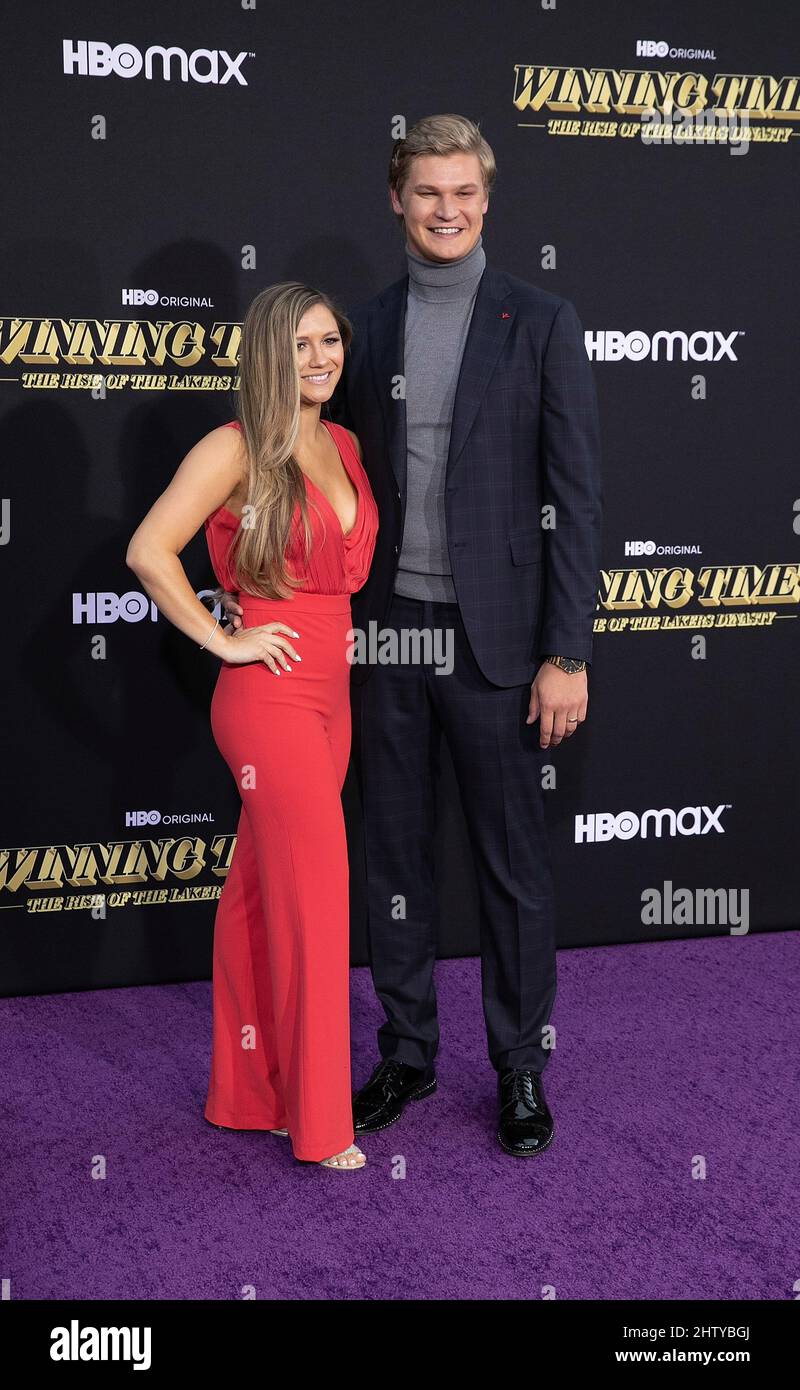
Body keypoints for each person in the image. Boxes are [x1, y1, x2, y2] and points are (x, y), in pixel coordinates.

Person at [223, 113, 603, 1157]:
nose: (446, 210)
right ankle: (404, 1050)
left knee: (510, 865)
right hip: (380, 639)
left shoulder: (542, 319)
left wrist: (564, 652)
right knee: (390, 855)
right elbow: (311, 462)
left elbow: (575, 503)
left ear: (487, 200)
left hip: (499, 643)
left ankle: (519, 1068)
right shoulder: (366, 328)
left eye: (463, 193)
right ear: (396, 198)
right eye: (426, 192)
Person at [126, 283, 378, 1170]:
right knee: (315, 900)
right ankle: (318, 1125)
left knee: (263, 896)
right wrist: (222, 638)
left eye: (331, 342)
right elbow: (149, 550)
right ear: (269, 353)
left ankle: (248, 1093)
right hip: (266, 696)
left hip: (333, 695)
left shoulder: (342, 442)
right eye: (303, 344)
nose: (321, 359)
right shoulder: (233, 447)